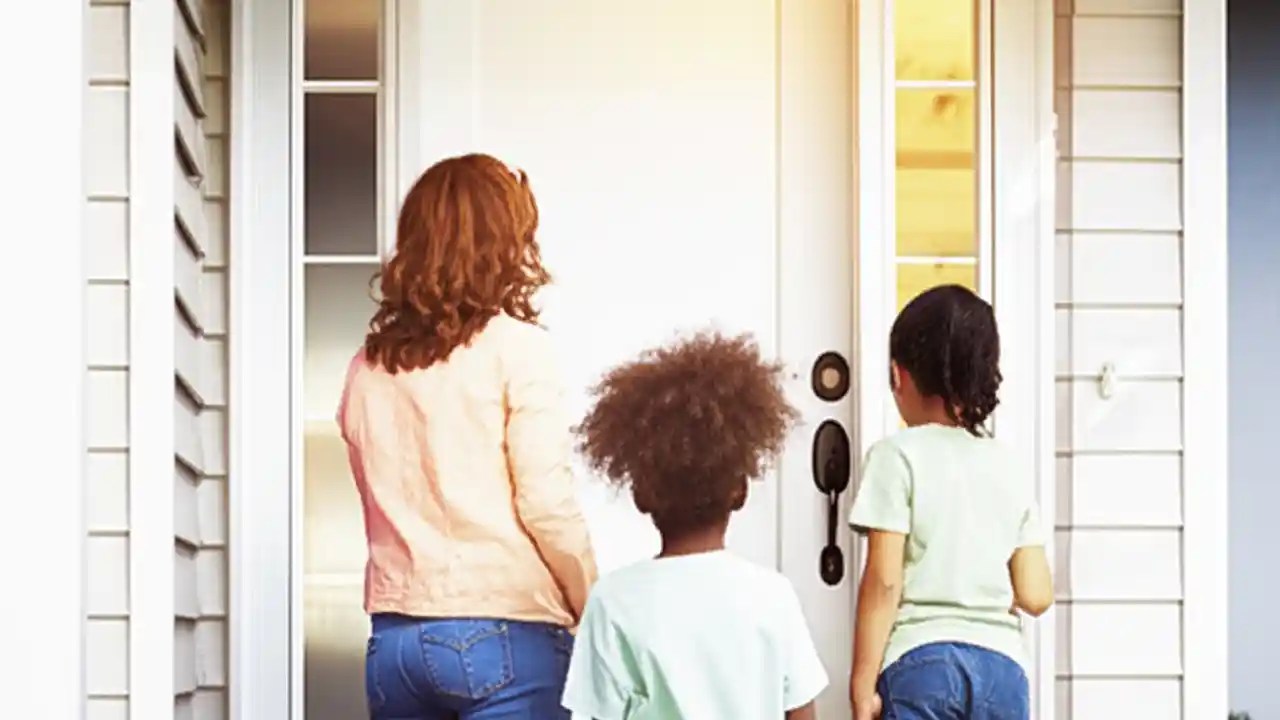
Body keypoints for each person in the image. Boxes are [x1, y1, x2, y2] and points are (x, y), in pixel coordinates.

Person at [338, 153, 598, 719]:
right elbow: (545, 501)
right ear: (503, 244)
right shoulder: (516, 347)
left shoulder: (366, 367)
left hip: (395, 642)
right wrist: (590, 602)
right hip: (505, 632)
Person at [563, 331, 829, 719]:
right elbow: (802, 714)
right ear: (740, 491)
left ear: (641, 494)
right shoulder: (773, 596)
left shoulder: (613, 601)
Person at [847, 285, 1054, 720]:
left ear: (897, 375)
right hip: (1003, 670)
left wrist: (862, 686)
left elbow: (884, 581)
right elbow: (1035, 595)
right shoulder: (1008, 466)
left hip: (923, 664)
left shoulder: (896, 455)